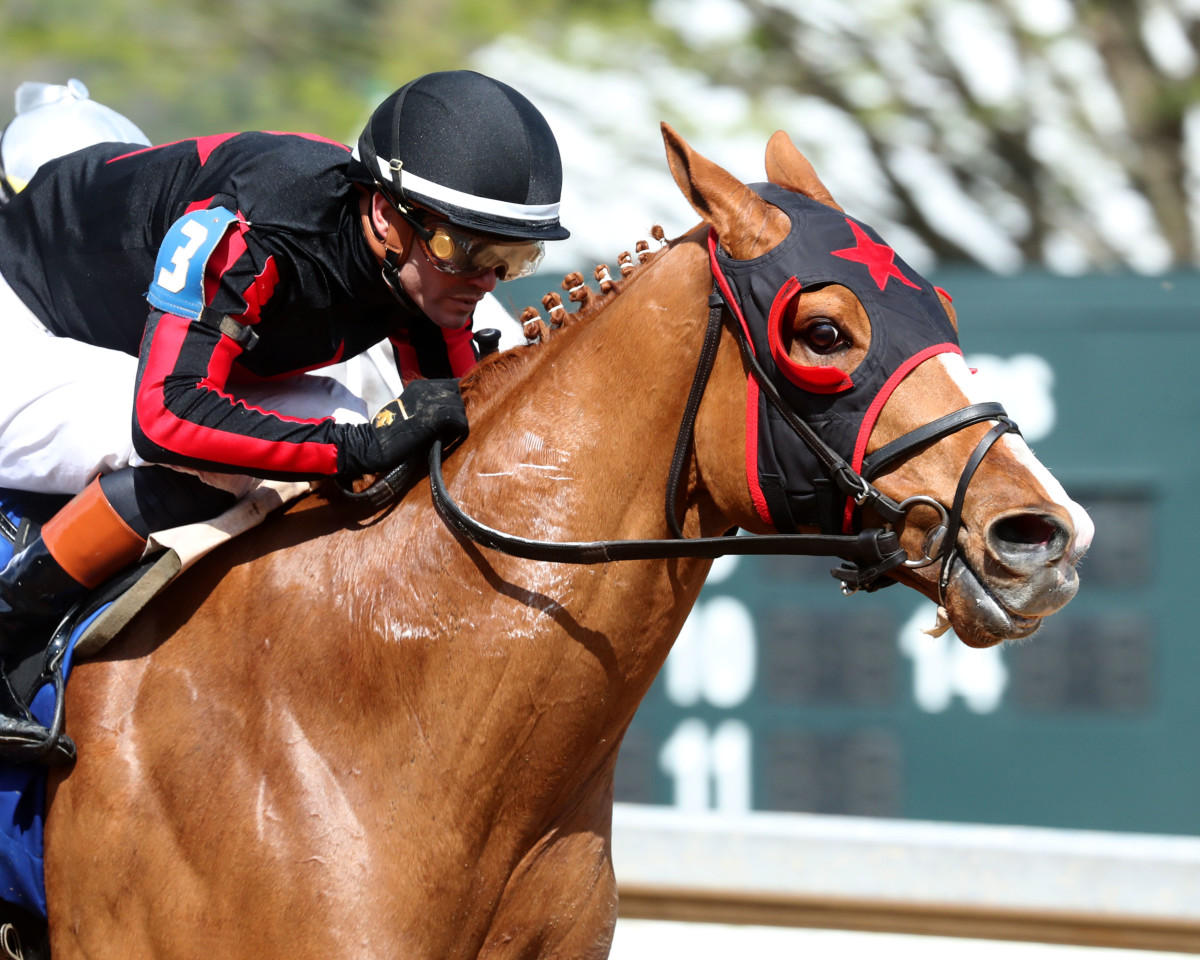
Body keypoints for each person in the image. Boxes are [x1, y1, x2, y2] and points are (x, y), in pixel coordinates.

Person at [0, 69, 569, 764]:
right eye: (467, 250)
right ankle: (10, 625)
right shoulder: (261, 227)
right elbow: (166, 415)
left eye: (511, 259)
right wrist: (357, 448)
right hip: (21, 317)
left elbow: (453, 412)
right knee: (229, 455)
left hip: (127, 335)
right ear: (385, 214)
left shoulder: (421, 261)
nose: (483, 281)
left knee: (349, 416)